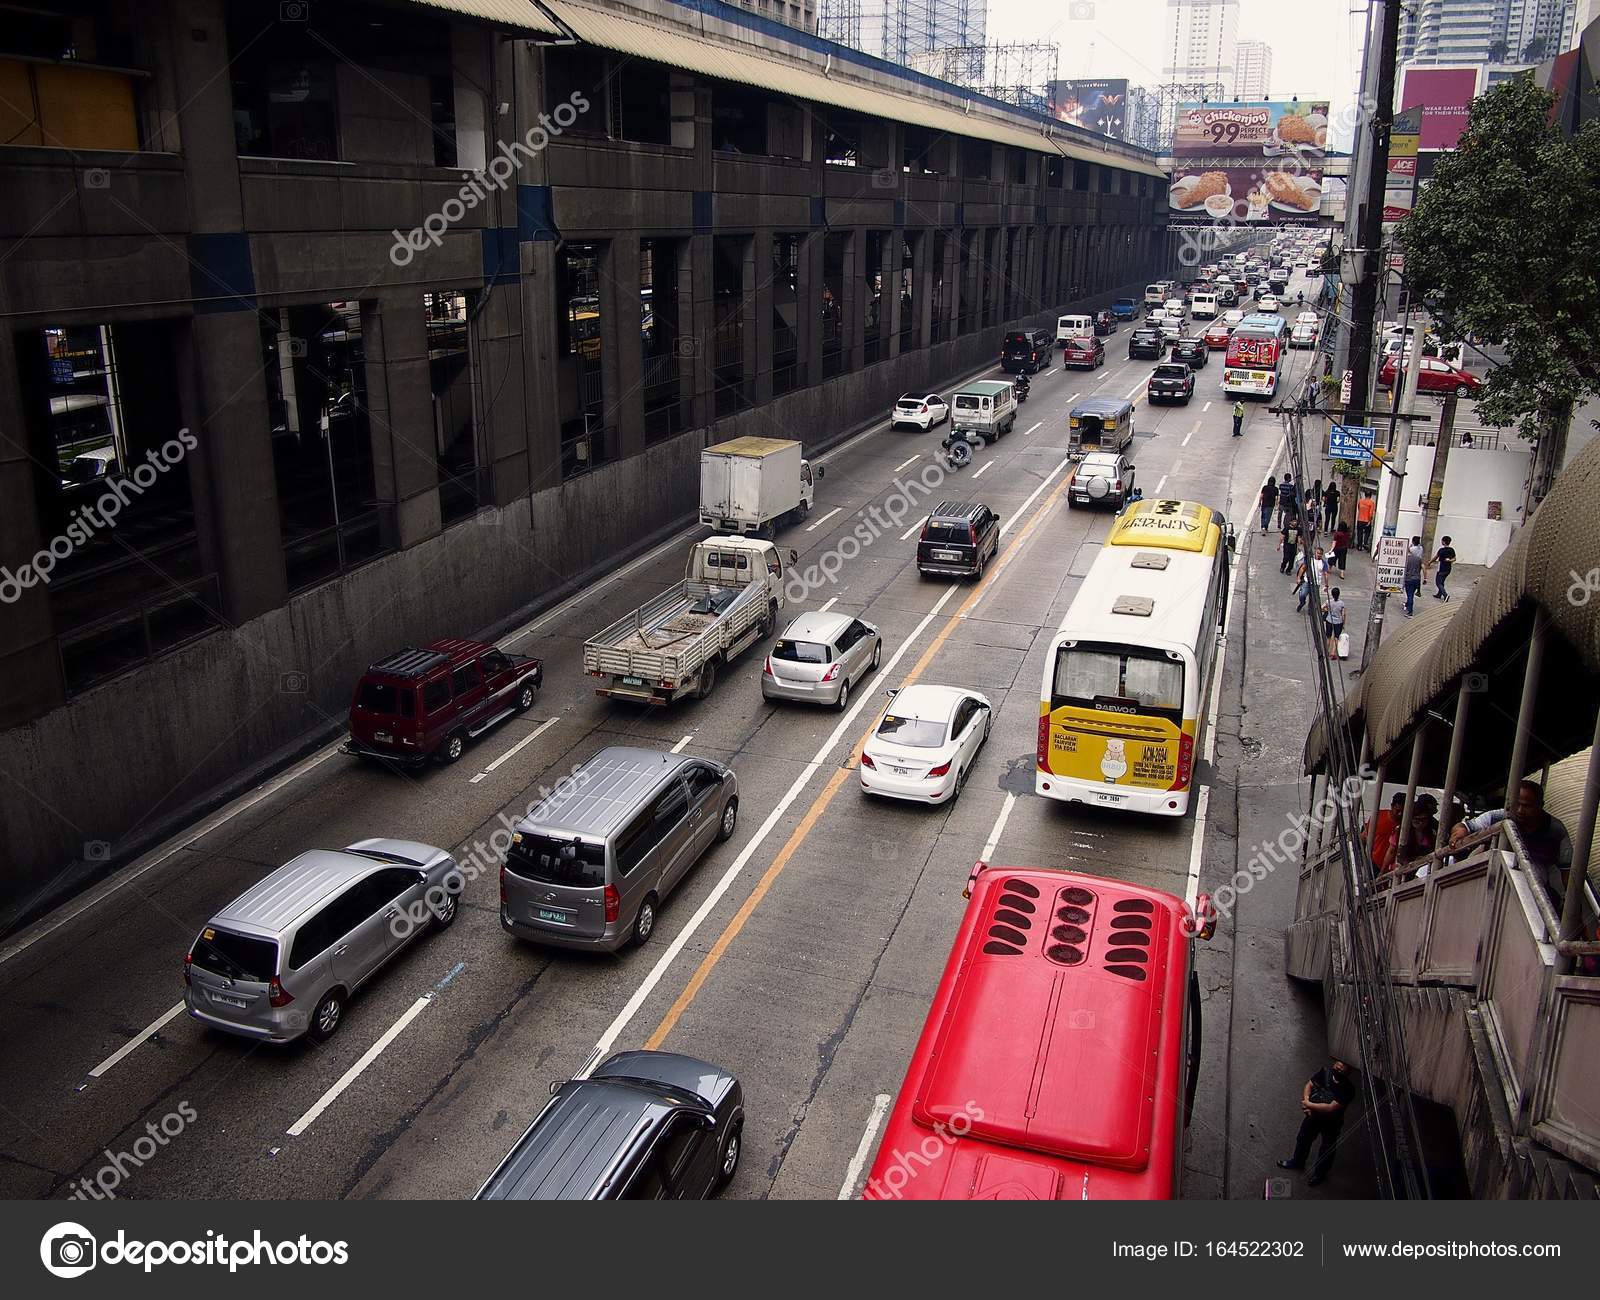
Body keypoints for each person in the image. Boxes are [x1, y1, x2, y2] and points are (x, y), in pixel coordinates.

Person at [1449, 780, 1573, 909]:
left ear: (1540, 805)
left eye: (1527, 806)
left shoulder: (1556, 830)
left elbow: (1568, 873)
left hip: (1533, 885)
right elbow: (1465, 826)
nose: (1520, 810)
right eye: (1516, 804)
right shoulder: (1498, 816)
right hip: (1491, 877)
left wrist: (1573, 908)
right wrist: (1459, 832)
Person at [1277, 1058, 1356, 1186]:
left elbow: (1331, 1107)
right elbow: (1309, 1084)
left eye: (1343, 1069)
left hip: (1331, 1122)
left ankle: (1320, 1174)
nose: (1339, 1069)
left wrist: (1308, 1105)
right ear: (1335, 1063)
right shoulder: (1324, 1072)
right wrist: (1307, 1100)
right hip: (1313, 1116)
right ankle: (1297, 1162)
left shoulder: (1348, 1089)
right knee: (1303, 1139)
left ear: (1349, 1071)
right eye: (1338, 1066)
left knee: (1327, 1149)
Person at [1295, 546, 1327, 612]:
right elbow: (1302, 568)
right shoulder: (1310, 560)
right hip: (1307, 581)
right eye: (1318, 553)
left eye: (1320, 554)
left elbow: (1326, 574)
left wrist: (1326, 585)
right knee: (1302, 594)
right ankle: (1302, 603)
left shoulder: (1323, 563)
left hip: (1316, 583)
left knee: (1313, 599)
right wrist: (1298, 578)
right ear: (1315, 552)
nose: (1319, 555)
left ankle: (1310, 610)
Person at [1430, 535, 1456, 601]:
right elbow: (1454, 559)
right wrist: (1449, 560)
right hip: (1448, 569)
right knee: (1442, 581)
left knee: (1438, 582)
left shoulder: (1441, 550)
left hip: (1441, 568)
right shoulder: (1451, 550)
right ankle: (1439, 594)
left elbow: (1436, 557)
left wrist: (1430, 562)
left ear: (1444, 542)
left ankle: (1445, 595)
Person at [1402, 535, 1423, 616]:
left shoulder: (1408, 558)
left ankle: (1410, 612)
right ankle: (1407, 604)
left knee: (1410, 594)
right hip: (1417, 574)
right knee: (1411, 593)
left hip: (1409, 577)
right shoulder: (1420, 550)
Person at [1324, 585, 1347, 658]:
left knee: (1328, 637)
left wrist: (1326, 610)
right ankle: (1333, 653)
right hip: (1338, 622)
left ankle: (1326, 651)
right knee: (1336, 637)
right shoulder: (1341, 603)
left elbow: (1321, 608)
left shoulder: (1328, 601)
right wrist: (1343, 624)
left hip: (1329, 620)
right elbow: (1343, 614)